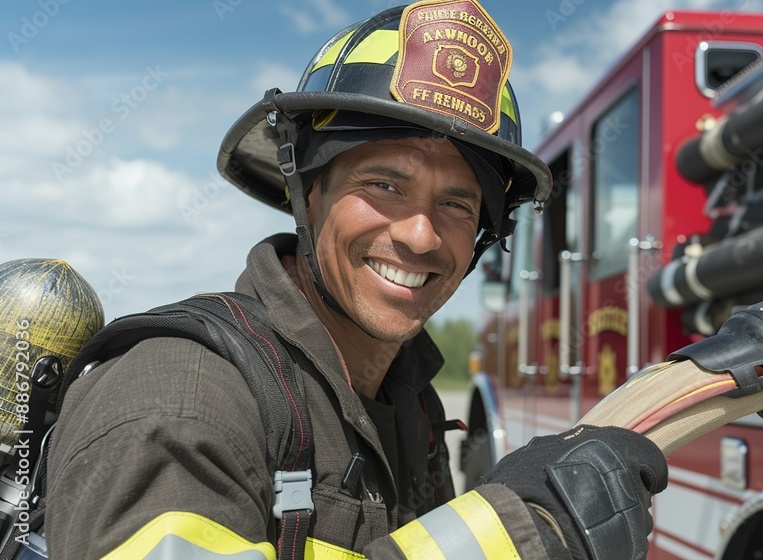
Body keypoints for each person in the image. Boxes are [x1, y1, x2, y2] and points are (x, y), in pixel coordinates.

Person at [46, 1, 668, 558]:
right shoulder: (181, 400)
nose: (421, 236)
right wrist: (512, 538)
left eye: (457, 204)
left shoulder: (411, 405)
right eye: (384, 185)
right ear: (307, 194)